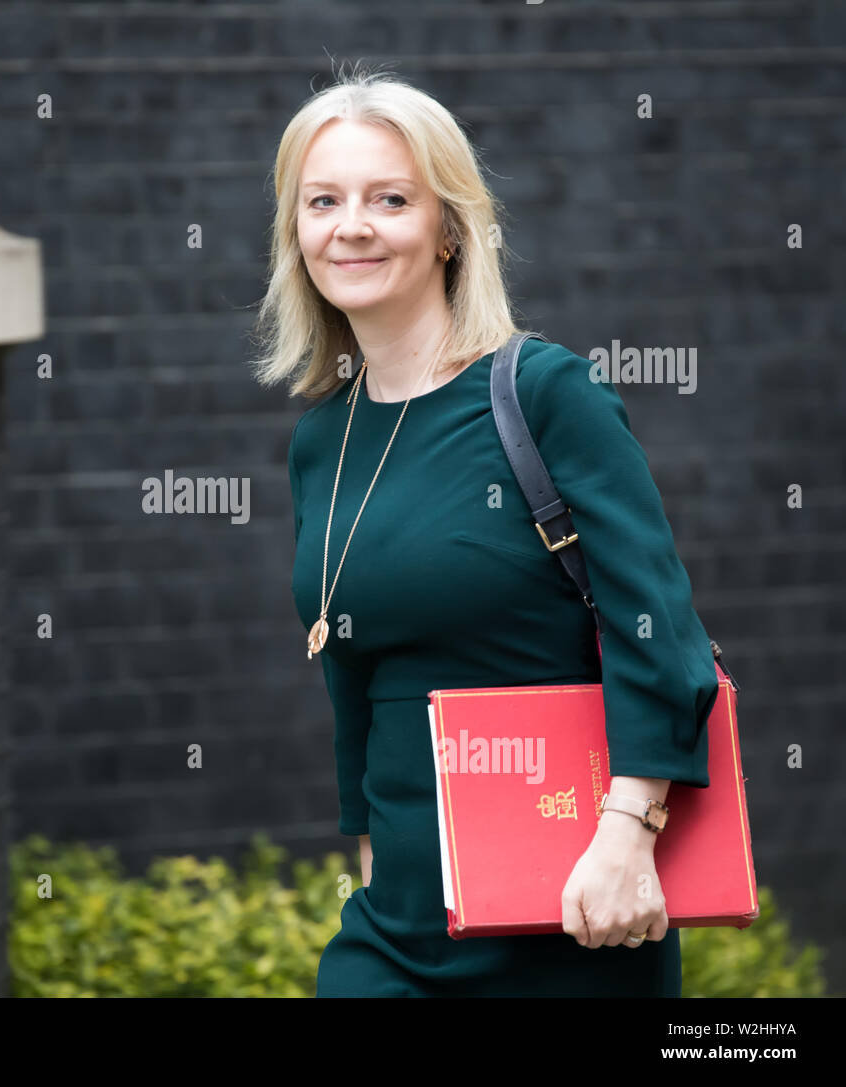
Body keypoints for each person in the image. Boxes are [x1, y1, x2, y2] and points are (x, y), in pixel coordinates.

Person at [250, 68, 719, 997]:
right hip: (396, 934)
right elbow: (354, 678)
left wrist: (631, 831)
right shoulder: (322, 441)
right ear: (295, 233)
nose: (352, 225)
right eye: (323, 201)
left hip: (574, 917)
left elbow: (658, 626)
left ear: (451, 227)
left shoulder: (543, 395)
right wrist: (374, 861)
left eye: (390, 198)